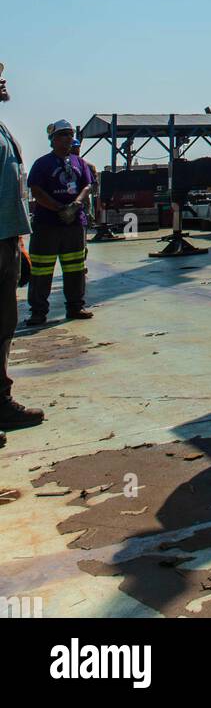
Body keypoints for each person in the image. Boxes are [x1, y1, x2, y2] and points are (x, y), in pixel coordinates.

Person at [0, 63, 44, 442]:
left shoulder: (2, 129)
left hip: (6, 240)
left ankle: (1, 402)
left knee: (4, 325)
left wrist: (17, 241)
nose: (3, 80)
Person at [26, 120, 94, 326]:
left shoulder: (79, 163)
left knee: (75, 268)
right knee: (41, 270)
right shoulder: (42, 164)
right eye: (63, 134)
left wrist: (75, 205)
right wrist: (59, 208)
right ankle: (38, 311)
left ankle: (75, 307)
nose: (68, 138)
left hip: (73, 225)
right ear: (53, 139)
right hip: (47, 225)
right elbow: (36, 191)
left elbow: (88, 185)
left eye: (70, 134)